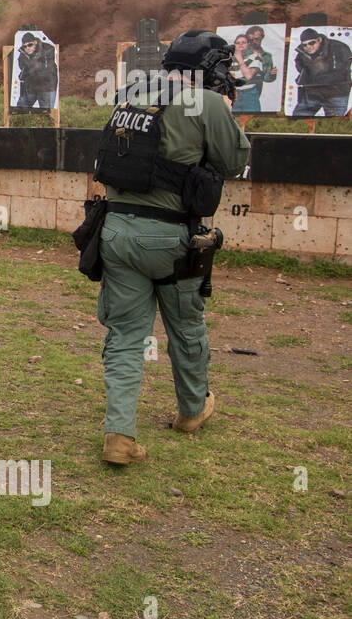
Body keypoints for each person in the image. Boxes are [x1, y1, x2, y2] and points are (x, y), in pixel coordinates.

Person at [95, 30, 251, 465]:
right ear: (212, 70)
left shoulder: (130, 94)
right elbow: (234, 162)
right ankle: (191, 411)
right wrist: (225, 114)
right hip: (172, 239)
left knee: (125, 335)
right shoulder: (208, 103)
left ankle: (119, 436)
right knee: (185, 328)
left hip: (115, 231)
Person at [291, 28, 351, 117]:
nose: (308, 47)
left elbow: (342, 72)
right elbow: (300, 67)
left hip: (336, 93)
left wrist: (314, 78)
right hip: (312, 93)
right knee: (298, 119)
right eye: (305, 45)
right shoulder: (302, 52)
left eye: (312, 43)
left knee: (333, 125)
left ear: (319, 40)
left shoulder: (338, 47)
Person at [13, 32, 58, 111]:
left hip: (47, 87)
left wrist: (32, 65)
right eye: (25, 46)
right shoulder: (22, 54)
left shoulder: (47, 49)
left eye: (30, 45)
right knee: (19, 110)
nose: (27, 48)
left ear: (35, 42)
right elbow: (23, 70)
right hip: (31, 87)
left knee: (47, 114)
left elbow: (47, 70)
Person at [229, 33, 264, 113]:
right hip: (234, 95)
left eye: (243, 42)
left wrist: (240, 58)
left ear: (248, 44)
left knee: (252, 121)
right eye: (238, 43)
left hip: (250, 95)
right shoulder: (230, 60)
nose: (240, 44)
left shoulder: (255, 57)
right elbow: (228, 77)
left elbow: (248, 76)